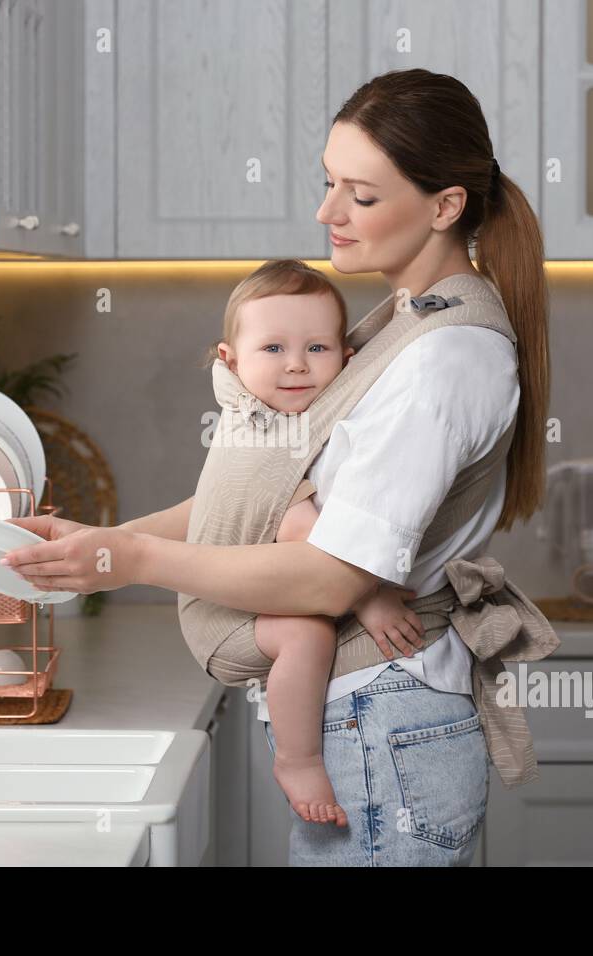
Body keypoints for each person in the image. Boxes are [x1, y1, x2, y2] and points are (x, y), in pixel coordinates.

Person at [0, 68, 550, 866]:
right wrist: (102, 540)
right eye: (328, 183)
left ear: (445, 206)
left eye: (360, 195)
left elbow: (330, 578)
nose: (328, 213)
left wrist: (133, 561)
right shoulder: (399, 321)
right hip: (372, 724)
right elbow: (265, 498)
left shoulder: (446, 357)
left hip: (388, 725)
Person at [189, 257, 427, 828]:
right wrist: (370, 597)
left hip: (243, 594)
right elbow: (303, 531)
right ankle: (298, 760)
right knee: (308, 631)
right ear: (231, 359)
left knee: (304, 624)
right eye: (273, 349)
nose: (296, 365)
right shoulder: (265, 431)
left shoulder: (266, 408)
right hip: (220, 617)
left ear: (346, 360)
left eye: (316, 349)